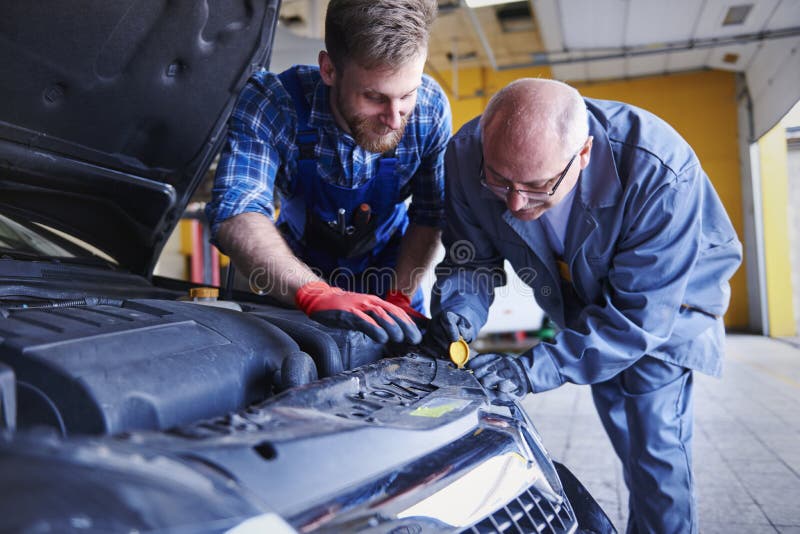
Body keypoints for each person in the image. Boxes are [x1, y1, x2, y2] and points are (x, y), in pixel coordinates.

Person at [424, 78, 742, 533]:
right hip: (580, 305)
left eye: (536, 185)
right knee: (624, 434)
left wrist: (530, 367)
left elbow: (638, 319)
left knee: (654, 448)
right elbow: (470, 258)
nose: (514, 204)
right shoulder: (466, 154)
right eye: (498, 180)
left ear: (584, 154)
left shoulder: (659, 173)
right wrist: (459, 314)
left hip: (668, 308)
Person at [206, 0, 450, 345]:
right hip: (292, 271)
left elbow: (429, 216)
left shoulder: (431, 109)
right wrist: (311, 293)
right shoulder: (273, 103)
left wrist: (400, 296)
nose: (395, 118)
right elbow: (236, 210)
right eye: (374, 97)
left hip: (392, 276)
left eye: (407, 95)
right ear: (329, 70)